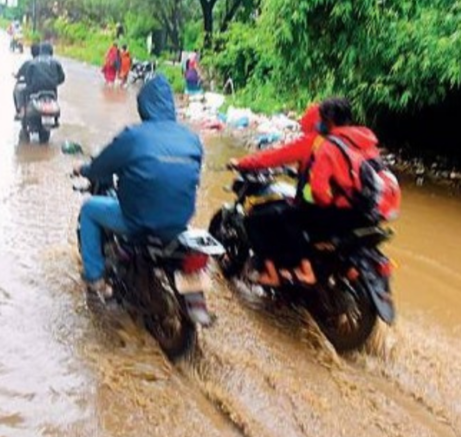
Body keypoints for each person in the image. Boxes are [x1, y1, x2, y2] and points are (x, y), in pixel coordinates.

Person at [74, 75, 203, 299]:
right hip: (179, 223)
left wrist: (84, 170)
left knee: (89, 210)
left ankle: (95, 278)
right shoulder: (191, 138)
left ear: (144, 106)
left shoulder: (133, 136)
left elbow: (101, 166)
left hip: (139, 221)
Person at [230, 98, 379, 286]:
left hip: (329, 212)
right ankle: (346, 269)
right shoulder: (361, 140)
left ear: (324, 120)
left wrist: (241, 162)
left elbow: (273, 157)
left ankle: (274, 274)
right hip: (359, 211)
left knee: (257, 218)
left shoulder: (318, 143)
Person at [15, 42, 66, 119]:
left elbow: (28, 77)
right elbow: (62, 78)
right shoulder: (56, 62)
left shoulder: (33, 62)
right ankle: (55, 118)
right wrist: (54, 82)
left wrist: (30, 84)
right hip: (51, 89)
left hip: (35, 88)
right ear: (51, 51)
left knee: (22, 92)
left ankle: (23, 111)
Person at [12, 42, 42, 118]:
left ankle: (21, 110)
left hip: (32, 88)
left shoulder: (28, 63)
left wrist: (15, 75)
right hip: (43, 88)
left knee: (18, 90)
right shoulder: (46, 63)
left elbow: (18, 75)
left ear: (31, 52)